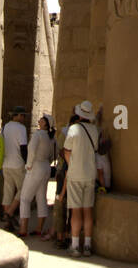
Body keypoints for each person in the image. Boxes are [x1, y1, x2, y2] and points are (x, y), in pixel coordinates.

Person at [63, 100, 99, 256]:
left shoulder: (74, 129)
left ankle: (76, 245)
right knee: (88, 210)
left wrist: (72, 164)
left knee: (76, 211)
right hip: (90, 173)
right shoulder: (95, 130)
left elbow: (66, 151)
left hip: (76, 174)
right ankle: (88, 246)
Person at [18, 114, 55, 240]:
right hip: (46, 167)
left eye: (42, 119)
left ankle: (23, 229)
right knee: (41, 198)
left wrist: (28, 165)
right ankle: (39, 229)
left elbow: (32, 151)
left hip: (36, 166)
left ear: (45, 124)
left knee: (25, 198)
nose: (39, 120)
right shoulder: (51, 138)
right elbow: (53, 155)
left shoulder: (38, 135)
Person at [1, 108, 28, 231]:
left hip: (6, 163)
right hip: (17, 163)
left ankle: (7, 223)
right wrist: (27, 162)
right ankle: (10, 212)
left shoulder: (6, 126)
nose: (24, 118)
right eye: (23, 115)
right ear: (17, 116)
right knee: (24, 188)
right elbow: (23, 147)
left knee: (8, 192)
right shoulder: (21, 128)